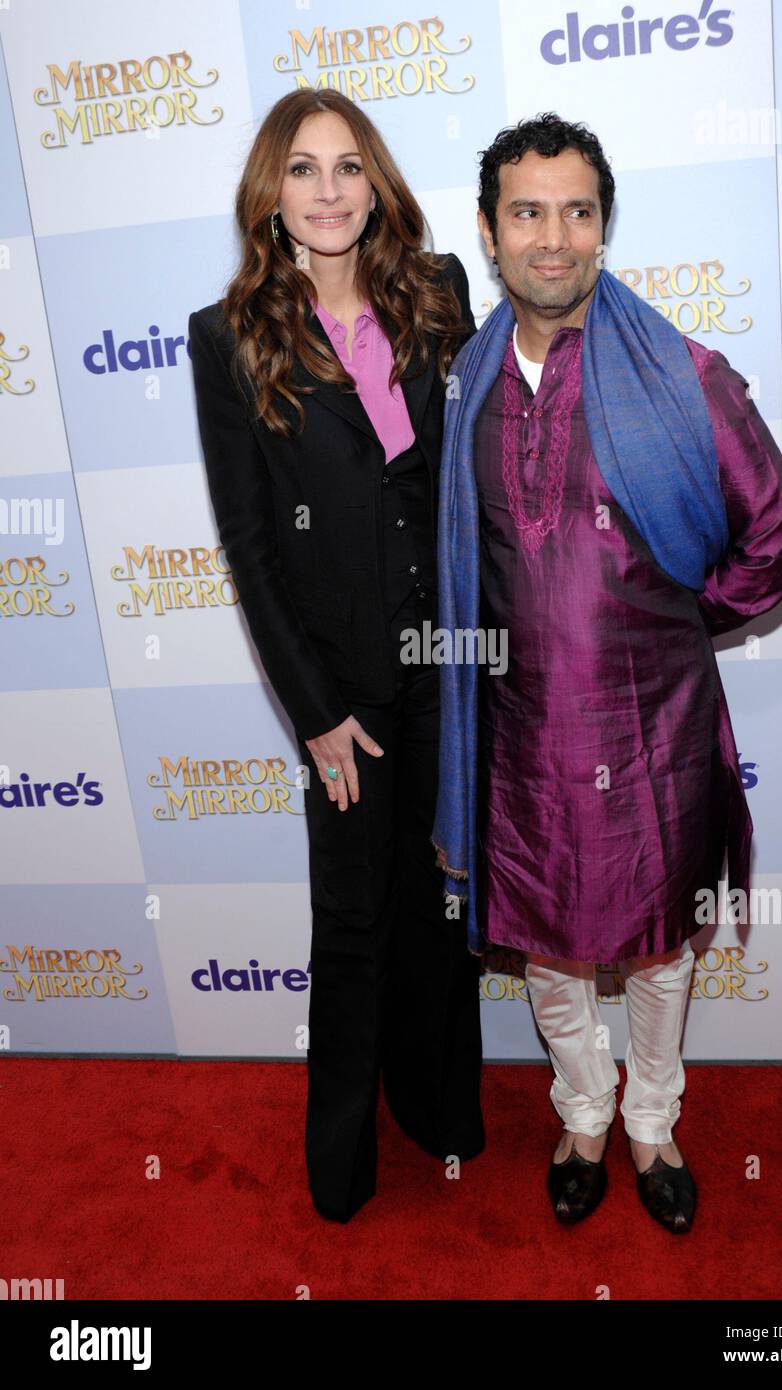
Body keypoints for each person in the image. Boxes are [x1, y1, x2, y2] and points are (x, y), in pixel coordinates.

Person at [431, 113, 782, 1232]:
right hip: (518, 728)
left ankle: (651, 1118)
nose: (552, 237)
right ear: (491, 231)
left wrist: (675, 625)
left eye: (576, 211)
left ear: (603, 226)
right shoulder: (462, 387)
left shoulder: (685, 377)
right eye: (526, 212)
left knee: (654, 941)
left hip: (652, 729)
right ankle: (581, 1111)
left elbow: (774, 540)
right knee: (546, 940)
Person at [188, 89, 484, 1224]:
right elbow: (249, 549)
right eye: (302, 170)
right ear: (271, 195)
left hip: (448, 663)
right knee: (354, 920)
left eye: (348, 167)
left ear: (377, 183)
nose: (327, 191)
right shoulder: (228, 337)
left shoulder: (438, 292)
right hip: (344, 689)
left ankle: (443, 1112)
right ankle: (342, 1164)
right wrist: (312, 712)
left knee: (440, 905)